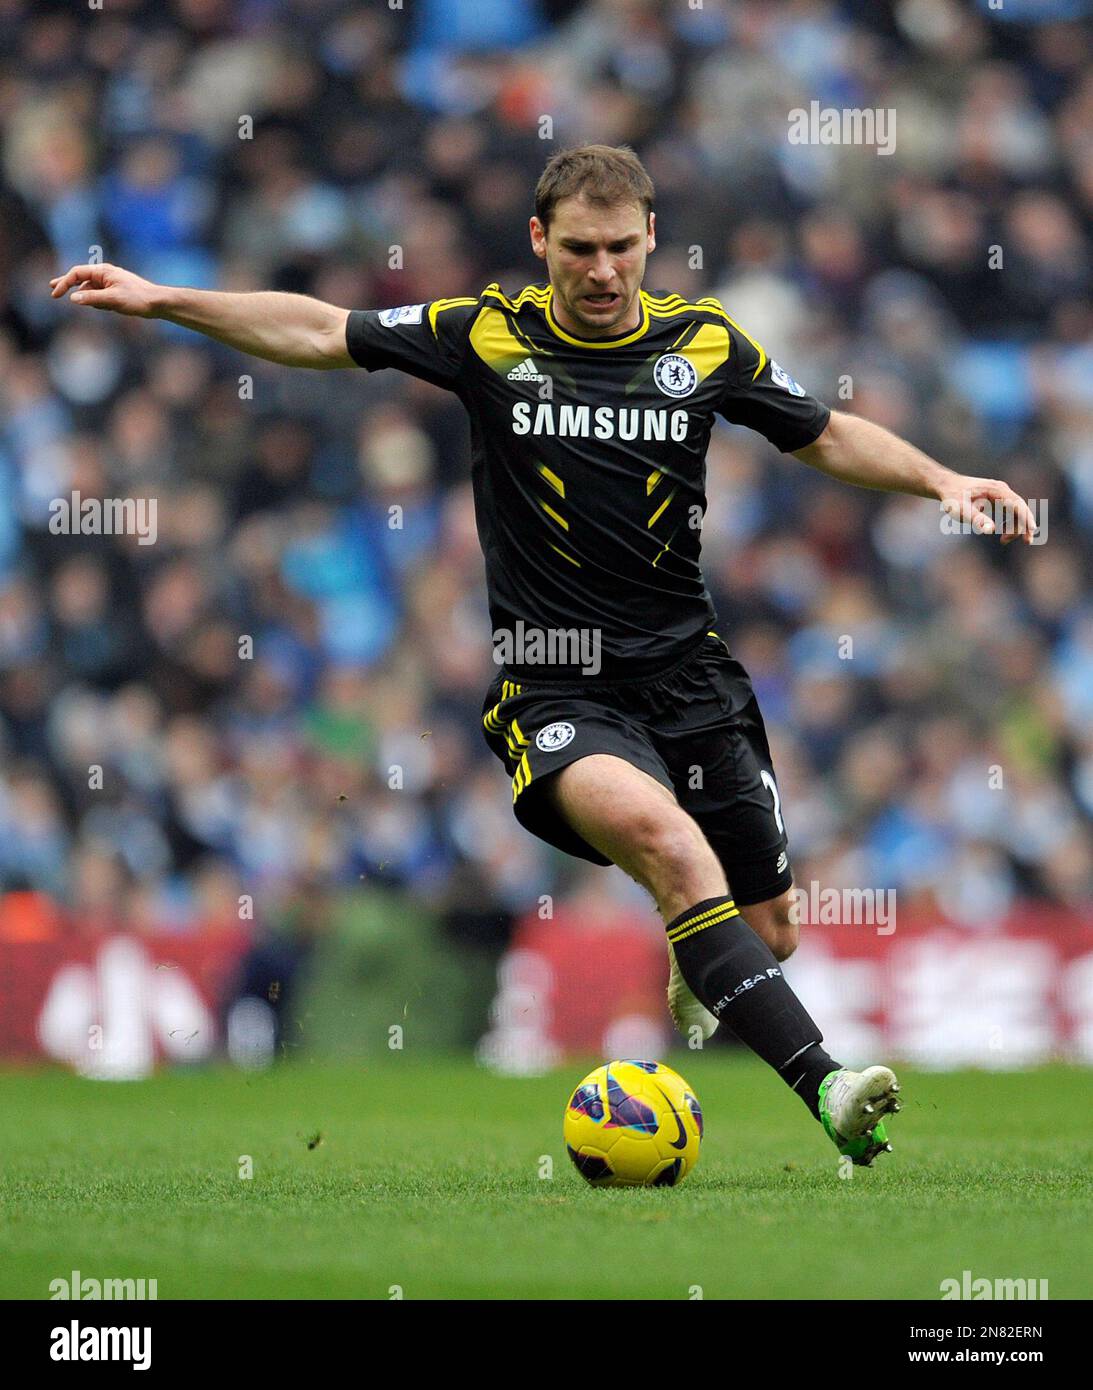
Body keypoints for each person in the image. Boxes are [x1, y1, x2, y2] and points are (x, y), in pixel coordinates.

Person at [51, 144, 1037, 1165]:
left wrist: (939, 479)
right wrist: (167, 298)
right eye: (579, 249)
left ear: (651, 238)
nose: (602, 271)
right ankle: (828, 1088)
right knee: (668, 844)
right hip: (554, 683)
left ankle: (695, 948)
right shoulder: (486, 333)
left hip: (693, 681)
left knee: (772, 927)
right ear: (539, 242)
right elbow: (316, 329)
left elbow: (822, 433)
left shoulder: (703, 346)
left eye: (621, 248)